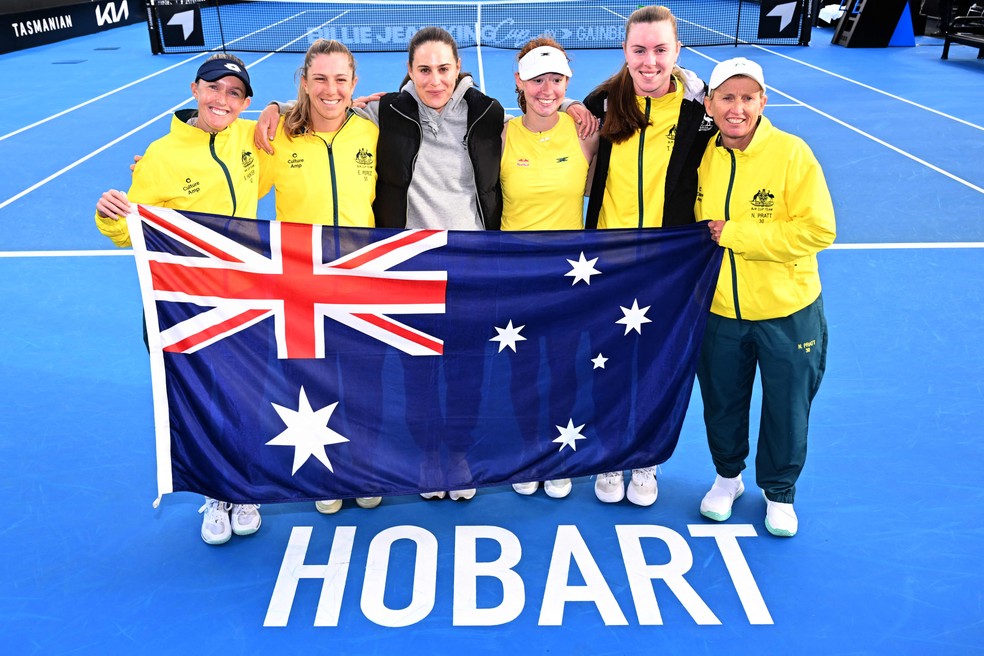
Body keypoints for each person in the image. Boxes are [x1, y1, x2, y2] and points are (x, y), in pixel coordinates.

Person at [255, 27, 597, 502]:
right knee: (416, 372)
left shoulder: (487, 113)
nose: (435, 80)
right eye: (424, 70)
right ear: (410, 72)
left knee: (465, 372)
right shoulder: (387, 111)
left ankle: (456, 456)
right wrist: (276, 107)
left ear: (458, 70)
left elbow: (542, 110)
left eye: (443, 69)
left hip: (470, 269)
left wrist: (574, 104)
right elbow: (327, 103)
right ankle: (426, 456)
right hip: (409, 267)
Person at [94, 54, 263, 545]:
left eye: (234, 93)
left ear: (245, 103)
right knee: (199, 403)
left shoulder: (251, 140)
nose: (222, 99)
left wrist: (280, 108)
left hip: (244, 298)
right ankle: (215, 493)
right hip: (185, 305)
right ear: (195, 90)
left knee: (243, 398)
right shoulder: (160, 156)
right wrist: (109, 215)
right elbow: (130, 231)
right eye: (214, 88)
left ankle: (243, 489)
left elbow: (307, 126)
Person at [694, 57, 836, 537]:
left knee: (787, 408)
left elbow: (818, 230)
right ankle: (727, 478)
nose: (737, 108)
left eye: (748, 98)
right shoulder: (703, 156)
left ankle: (779, 492)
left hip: (787, 311)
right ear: (709, 104)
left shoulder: (793, 154)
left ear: (763, 102)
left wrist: (738, 234)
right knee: (721, 402)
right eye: (727, 98)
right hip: (720, 311)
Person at [582, 5, 716, 506]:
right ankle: (609, 454)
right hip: (608, 263)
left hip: (668, 267)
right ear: (625, 51)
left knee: (657, 365)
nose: (650, 61)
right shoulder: (602, 104)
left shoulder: (699, 112)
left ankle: (645, 458)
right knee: (608, 363)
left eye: (661, 49)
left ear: (678, 51)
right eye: (639, 50)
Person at [255, 39, 383, 516]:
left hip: (360, 279)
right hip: (300, 283)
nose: (331, 90)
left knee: (363, 380)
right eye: (321, 79)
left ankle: (363, 468)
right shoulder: (276, 138)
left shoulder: (371, 132)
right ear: (304, 83)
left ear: (355, 84)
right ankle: (325, 474)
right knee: (312, 382)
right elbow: (231, 176)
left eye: (341, 80)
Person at [500, 37, 598, 498]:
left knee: (562, 369)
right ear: (519, 83)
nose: (547, 89)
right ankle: (526, 452)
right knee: (521, 371)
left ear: (567, 82)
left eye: (556, 80)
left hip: (567, 278)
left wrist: (576, 105)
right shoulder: (500, 134)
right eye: (537, 80)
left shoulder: (586, 133)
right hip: (516, 277)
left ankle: (557, 455)